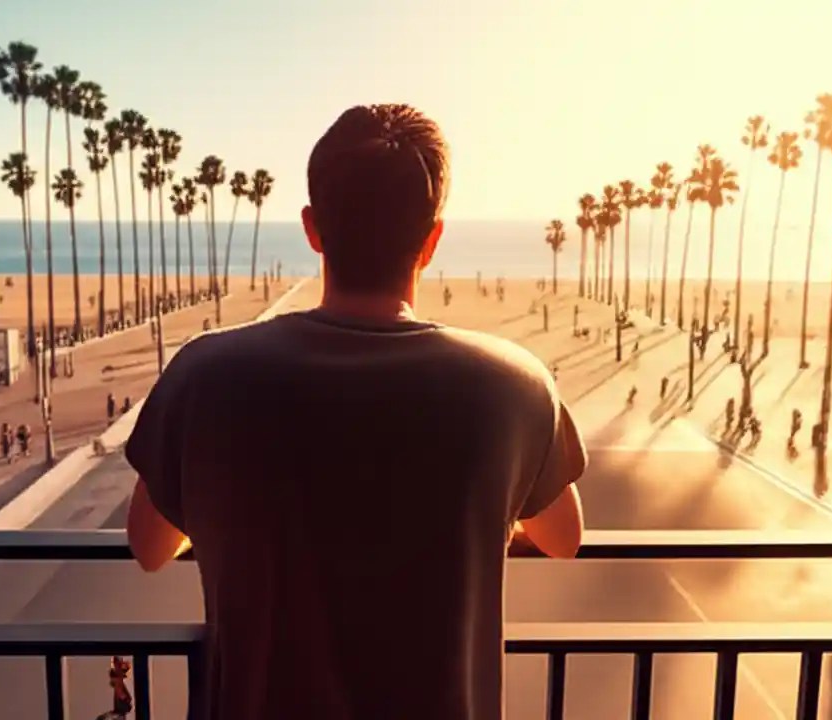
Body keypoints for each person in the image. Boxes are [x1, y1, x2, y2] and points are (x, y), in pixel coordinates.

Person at [123, 104, 586, 720]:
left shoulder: (207, 373)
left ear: (313, 229)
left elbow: (150, 546)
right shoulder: (513, 383)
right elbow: (563, 538)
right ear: (432, 240)